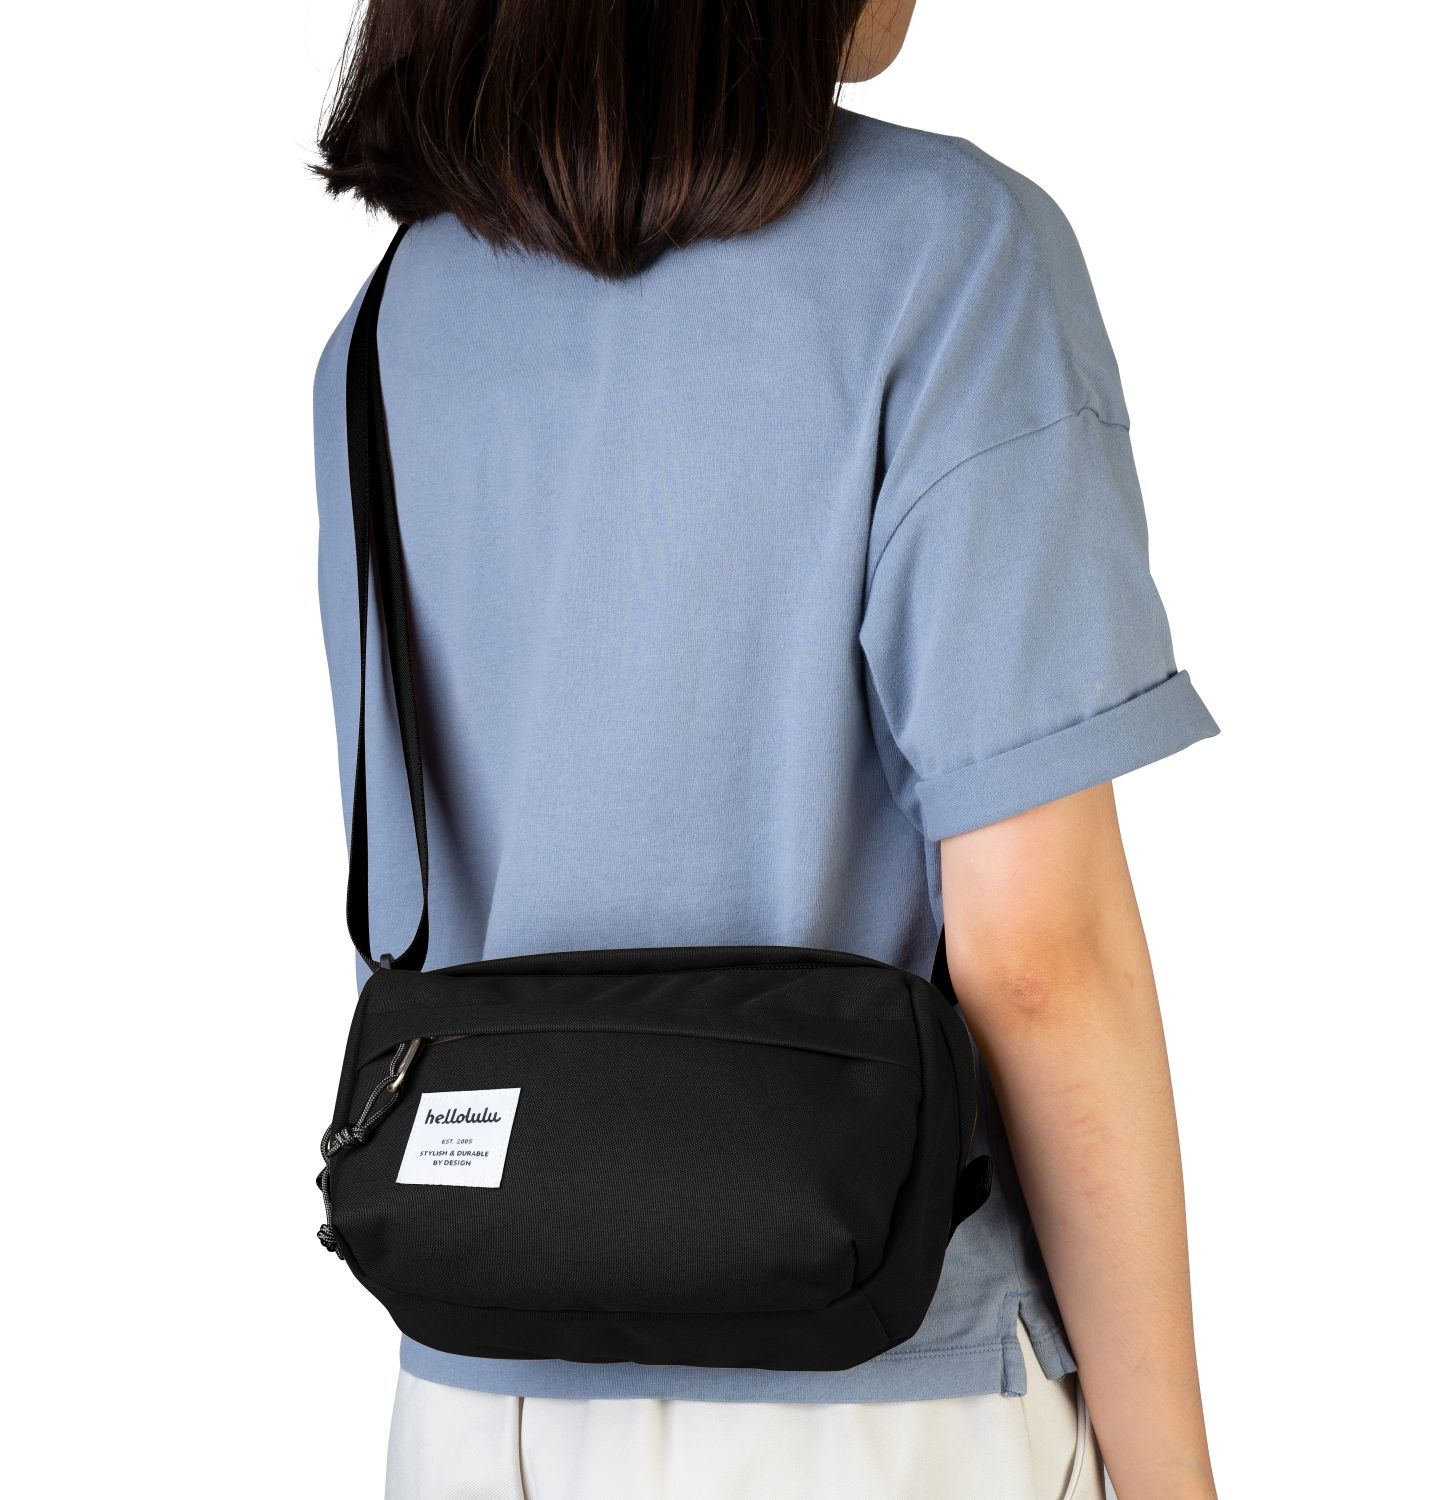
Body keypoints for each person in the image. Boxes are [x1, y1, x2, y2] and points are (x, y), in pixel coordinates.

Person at [311, 2, 1221, 1496]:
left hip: (472, 1390)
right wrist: (1174, 1476)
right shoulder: (950, 251)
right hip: (876, 1388)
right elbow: (1039, 959)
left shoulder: (389, 321)